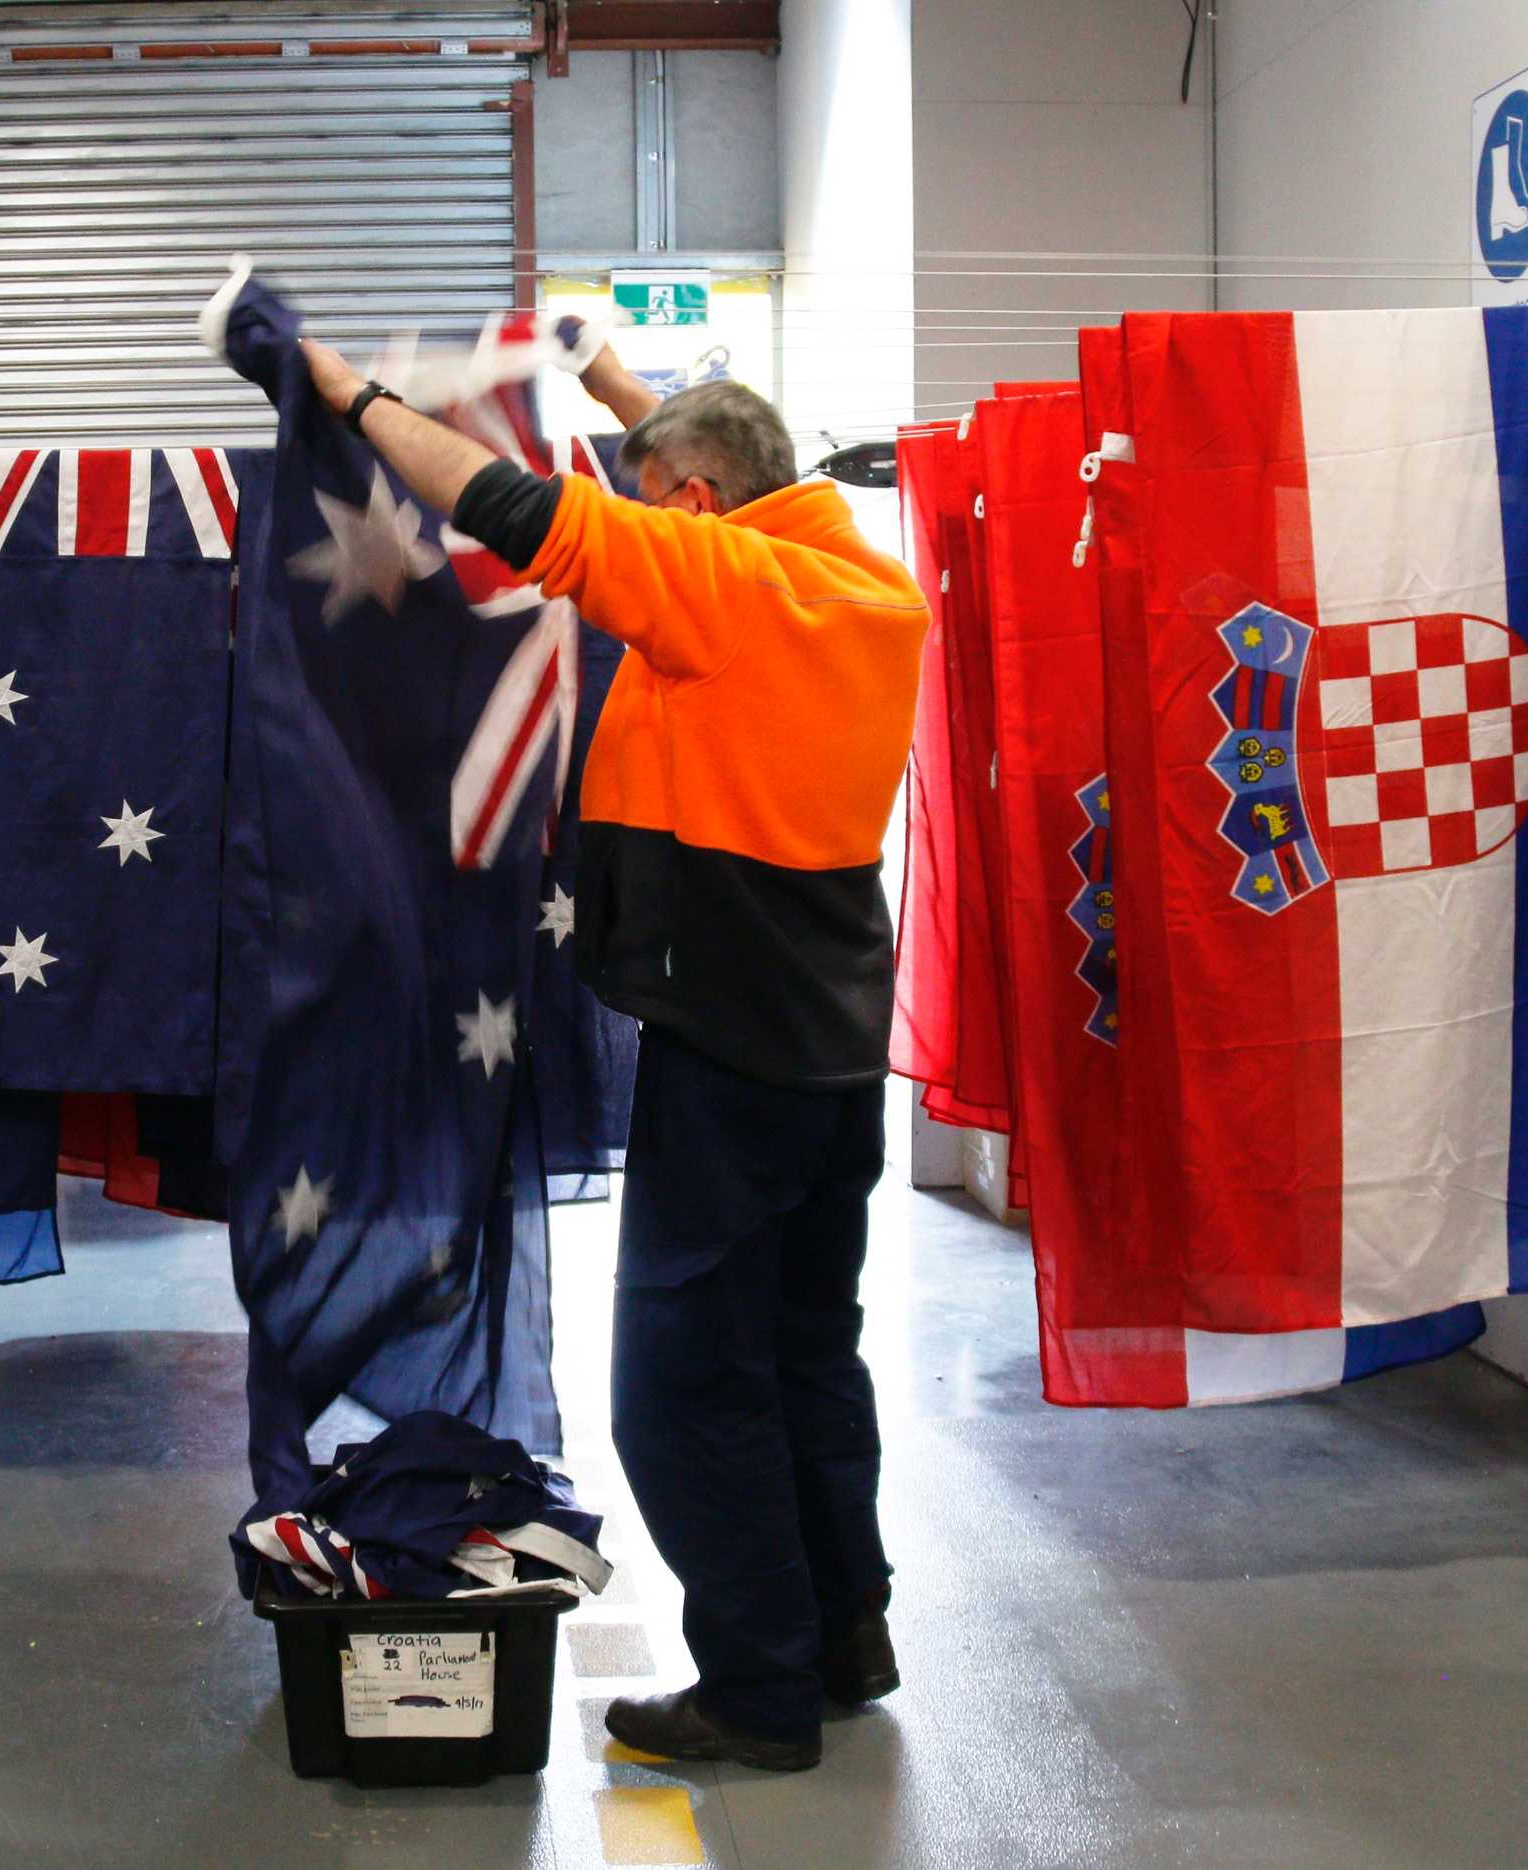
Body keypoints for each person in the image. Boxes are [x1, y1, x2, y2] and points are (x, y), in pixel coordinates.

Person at [298, 336, 928, 1771]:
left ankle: (758, 1692)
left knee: (681, 1386)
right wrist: (624, 392)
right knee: (807, 1356)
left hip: (729, 1052)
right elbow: (733, 472)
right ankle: (845, 1632)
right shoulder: (853, 574)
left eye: (658, 502)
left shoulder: (723, 588)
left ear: (693, 509)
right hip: (833, 1050)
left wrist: (360, 401)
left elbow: (519, 512)